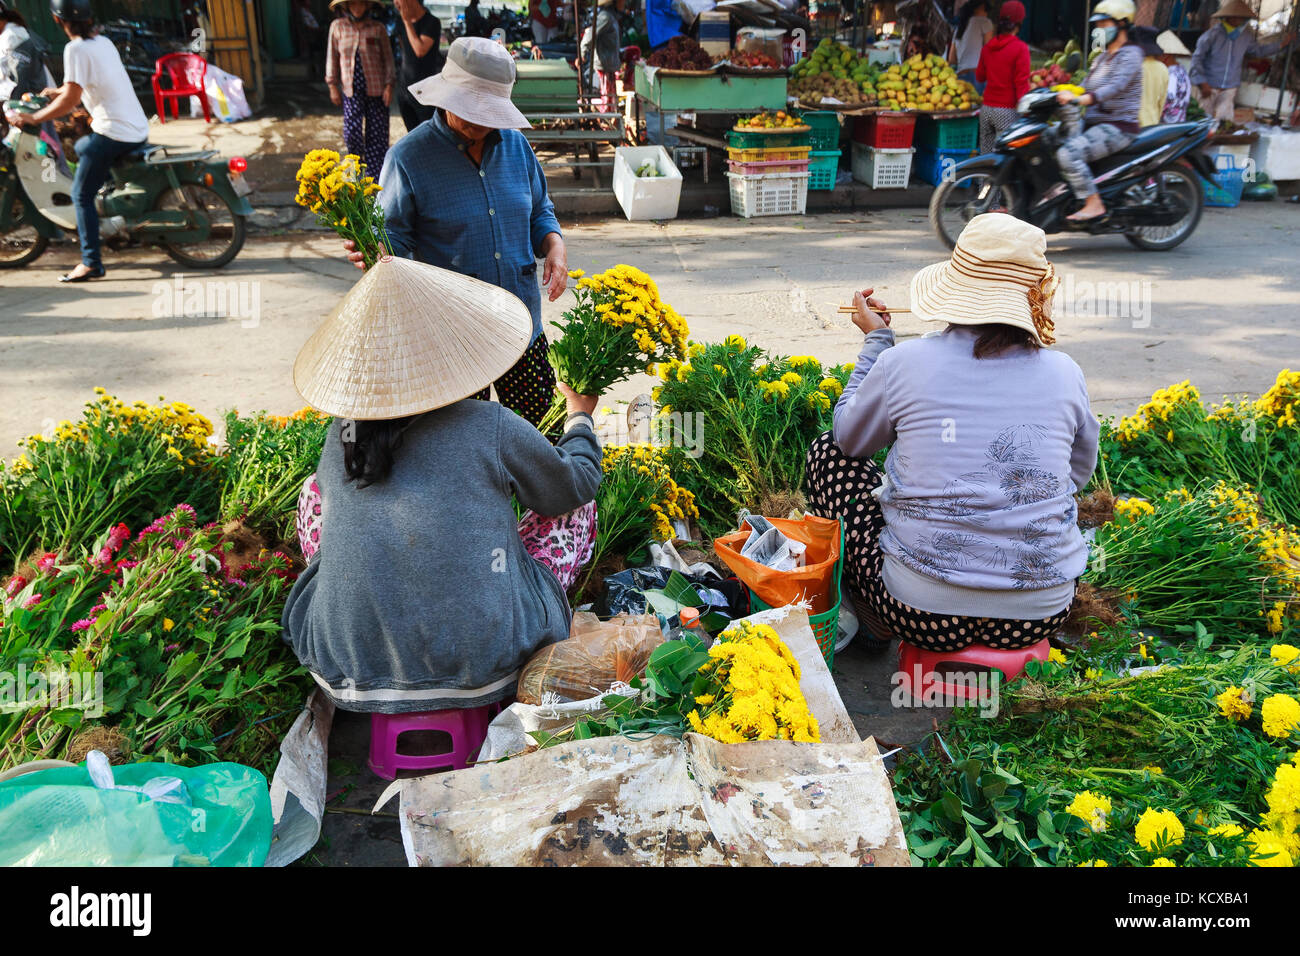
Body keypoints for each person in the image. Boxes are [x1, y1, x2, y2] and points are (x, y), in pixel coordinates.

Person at [282, 258, 603, 713]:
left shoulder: (345, 433)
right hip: (485, 664)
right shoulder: (489, 423)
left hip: (346, 666)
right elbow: (577, 483)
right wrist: (580, 415)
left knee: (316, 494)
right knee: (573, 499)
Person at [804, 213, 1099, 656]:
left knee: (827, 454)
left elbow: (849, 440)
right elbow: (1077, 474)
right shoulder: (1065, 373)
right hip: (1039, 614)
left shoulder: (905, 362)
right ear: (1033, 298)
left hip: (921, 614)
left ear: (956, 287)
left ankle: (871, 614)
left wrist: (877, 341)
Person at [345, 38, 567, 430]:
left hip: (520, 327)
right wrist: (374, 254)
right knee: (460, 449)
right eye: (467, 107)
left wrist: (555, 246)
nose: (476, 119)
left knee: (542, 437)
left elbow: (539, 212)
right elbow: (393, 246)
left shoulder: (516, 147)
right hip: (451, 339)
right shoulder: (409, 159)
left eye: (487, 110)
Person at [10, 0, 149, 283]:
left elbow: (72, 100)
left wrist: (34, 119)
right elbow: (82, 84)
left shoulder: (75, 49)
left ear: (56, 19)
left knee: (80, 195)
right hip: (136, 128)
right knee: (84, 147)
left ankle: (90, 262)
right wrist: (56, 91)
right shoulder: (104, 43)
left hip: (115, 133)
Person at [1053, 0, 1143, 223]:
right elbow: (1085, 84)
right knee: (1048, 139)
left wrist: (1083, 99)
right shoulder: (1103, 56)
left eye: (1104, 24)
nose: (1099, 29)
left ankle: (1094, 203)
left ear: (1122, 24)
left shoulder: (1131, 55)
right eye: (1098, 25)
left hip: (1118, 126)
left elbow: (1115, 87)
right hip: (1094, 123)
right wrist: (1057, 92)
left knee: (1069, 153)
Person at [1189, 0, 1293, 125]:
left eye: (1245, 19)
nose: (1243, 22)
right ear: (1230, 18)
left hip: (1230, 88)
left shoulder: (1245, 36)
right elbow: (1196, 59)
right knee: (1201, 122)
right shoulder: (1212, 35)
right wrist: (1202, 81)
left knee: (1224, 123)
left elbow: (1258, 51)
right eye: (1240, 18)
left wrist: (1281, 44)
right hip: (1209, 86)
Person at [325, 0, 394, 178]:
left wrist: (389, 85)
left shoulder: (378, 28)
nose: (358, 8)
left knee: (377, 137)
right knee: (352, 133)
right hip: (351, 90)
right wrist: (332, 85)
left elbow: (388, 59)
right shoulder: (337, 27)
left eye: (362, 4)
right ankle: (355, 176)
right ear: (346, 6)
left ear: (369, 6)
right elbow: (332, 58)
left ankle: (375, 180)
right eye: (353, 4)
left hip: (376, 88)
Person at [975, 0, 1029, 154]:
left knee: (985, 160)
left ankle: (981, 179)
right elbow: (1021, 85)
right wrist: (1027, 110)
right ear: (1019, 22)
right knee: (1004, 161)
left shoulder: (987, 47)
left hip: (986, 110)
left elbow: (979, 77)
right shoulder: (1020, 48)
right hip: (1007, 111)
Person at [393, 0, 441, 132]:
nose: (396, 3)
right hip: (404, 89)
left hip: (425, 90)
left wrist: (408, 23)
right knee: (412, 134)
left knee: (427, 134)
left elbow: (420, 50)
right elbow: (405, 52)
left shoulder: (432, 22)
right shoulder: (400, 22)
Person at [0, 5, 53, 100]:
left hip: (30, 101)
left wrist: (12, 104)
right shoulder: (8, 34)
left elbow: (19, 78)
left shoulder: (12, 36)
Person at [948, 0, 992, 89]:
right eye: (986, 10)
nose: (987, 14)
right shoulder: (984, 22)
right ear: (981, 8)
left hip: (960, 77)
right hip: (976, 76)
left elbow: (951, 60)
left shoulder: (959, 28)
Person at [1133, 25, 1168, 127]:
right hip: (1152, 125)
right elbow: (1161, 103)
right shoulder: (1163, 69)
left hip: (1133, 126)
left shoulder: (1132, 67)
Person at [1157, 29, 1192, 123]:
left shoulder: (1171, 74)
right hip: (1180, 119)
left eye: (1157, 56)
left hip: (1168, 122)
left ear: (1165, 56)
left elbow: (1169, 97)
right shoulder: (1181, 70)